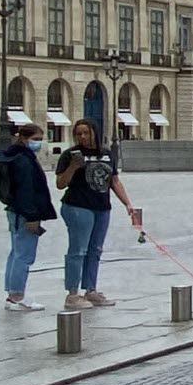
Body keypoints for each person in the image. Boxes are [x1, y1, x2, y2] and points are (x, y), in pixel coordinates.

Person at [56, 118, 134, 309]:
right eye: (79, 134)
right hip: (77, 206)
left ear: (94, 133)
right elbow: (60, 184)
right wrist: (73, 167)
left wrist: (127, 204)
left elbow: (114, 181)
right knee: (78, 250)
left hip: (101, 207)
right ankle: (72, 294)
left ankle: (90, 290)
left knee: (95, 250)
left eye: (86, 133)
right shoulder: (69, 155)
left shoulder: (106, 154)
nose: (82, 137)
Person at [0, 123, 54, 311]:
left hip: (14, 211)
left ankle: (12, 294)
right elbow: (26, 190)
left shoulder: (12, 155)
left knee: (16, 253)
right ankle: (17, 296)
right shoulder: (23, 159)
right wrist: (32, 216)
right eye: (36, 139)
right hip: (24, 213)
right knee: (24, 255)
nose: (38, 143)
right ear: (23, 138)